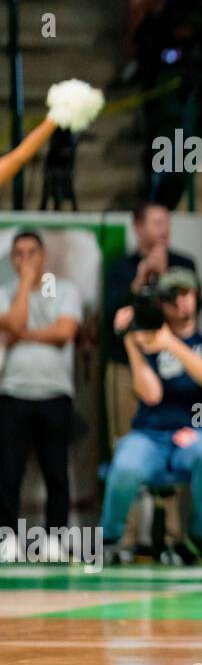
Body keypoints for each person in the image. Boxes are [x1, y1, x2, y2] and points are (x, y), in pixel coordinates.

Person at [102, 268, 202, 565]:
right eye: (173, 296)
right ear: (163, 304)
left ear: (197, 298)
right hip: (149, 434)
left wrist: (171, 343)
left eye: (187, 294)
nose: (181, 302)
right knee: (125, 464)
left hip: (192, 432)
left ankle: (200, 534)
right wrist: (131, 344)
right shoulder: (147, 345)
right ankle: (108, 536)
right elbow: (151, 395)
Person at [0, 232, 82, 563]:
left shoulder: (65, 290)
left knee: (56, 472)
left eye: (32, 253)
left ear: (44, 255)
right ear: (12, 260)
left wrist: (21, 335)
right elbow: (15, 318)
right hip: (12, 391)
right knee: (7, 472)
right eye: (19, 254)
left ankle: (55, 539)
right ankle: (7, 540)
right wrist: (24, 285)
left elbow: (65, 332)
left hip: (55, 392)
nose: (26, 259)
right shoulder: (5, 293)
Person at [103, 202, 199, 444]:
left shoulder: (183, 265)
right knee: (126, 440)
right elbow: (111, 316)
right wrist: (138, 283)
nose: (165, 229)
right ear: (138, 227)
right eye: (157, 223)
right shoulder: (119, 268)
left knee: (179, 438)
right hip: (127, 363)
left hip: (174, 363)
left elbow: (193, 311)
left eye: (167, 223)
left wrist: (166, 276)